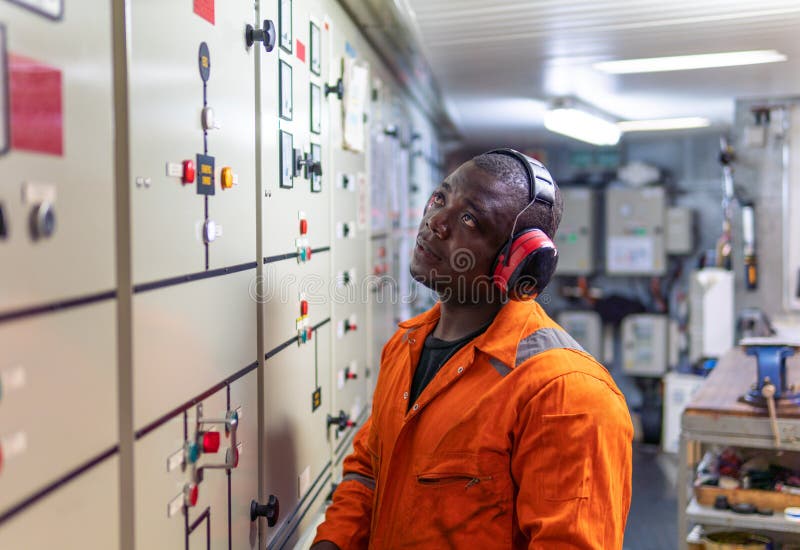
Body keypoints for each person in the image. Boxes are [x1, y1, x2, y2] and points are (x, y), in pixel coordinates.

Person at [312, 149, 633, 549]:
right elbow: (369, 470)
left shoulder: (566, 395)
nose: (436, 223)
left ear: (515, 262)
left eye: (469, 219)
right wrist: (333, 543)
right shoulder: (405, 346)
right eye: (441, 199)